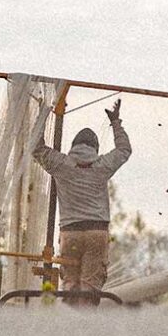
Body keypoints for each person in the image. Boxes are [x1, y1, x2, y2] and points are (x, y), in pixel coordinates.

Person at [32, 98, 132, 306]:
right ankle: (85, 323)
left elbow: (36, 148)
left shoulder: (61, 163)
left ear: (73, 146)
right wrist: (116, 122)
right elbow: (124, 150)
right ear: (94, 148)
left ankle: (69, 321)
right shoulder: (102, 165)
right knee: (90, 288)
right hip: (97, 232)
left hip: (70, 233)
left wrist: (42, 115)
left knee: (69, 285)